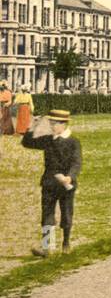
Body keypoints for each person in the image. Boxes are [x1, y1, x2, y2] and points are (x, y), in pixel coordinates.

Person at [21, 109, 81, 256]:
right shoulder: (48, 139)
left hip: (66, 185)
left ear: (64, 124)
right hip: (49, 183)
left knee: (66, 214)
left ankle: (66, 243)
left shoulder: (73, 142)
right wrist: (32, 126)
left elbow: (77, 162)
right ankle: (47, 248)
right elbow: (27, 143)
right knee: (47, 214)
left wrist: (69, 177)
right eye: (50, 123)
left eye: (54, 123)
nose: (52, 126)